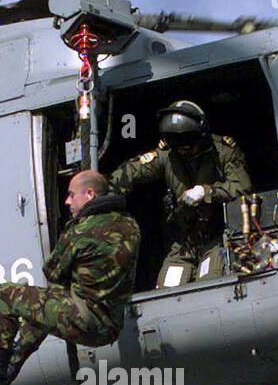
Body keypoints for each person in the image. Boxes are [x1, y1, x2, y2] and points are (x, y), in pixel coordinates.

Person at [0, 170, 140, 385]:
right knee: (42, 309)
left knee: (6, 295)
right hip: (110, 324)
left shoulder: (81, 230)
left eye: (72, 195)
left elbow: (51, 270)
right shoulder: (130, 226)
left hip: (87, 321)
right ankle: (5, 365)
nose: (67, 201)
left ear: (89, 195)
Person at [108, 100, 252, 287]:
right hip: (182, 243)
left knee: (210, 286)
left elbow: (242, 185)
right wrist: (104, 189)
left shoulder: (223, 151)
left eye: (187, 143)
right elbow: (133, 171)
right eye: (178, 144)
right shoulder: (168, 155)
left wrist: (207, 192)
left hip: (216, 238)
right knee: (166, 291)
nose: (184, 150)